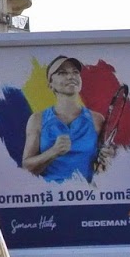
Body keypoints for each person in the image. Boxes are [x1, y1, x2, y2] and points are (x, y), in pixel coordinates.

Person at [21, 55, 114, 183]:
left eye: (75, 72)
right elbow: (26, 167)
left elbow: (102, 164)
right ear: (50, 84)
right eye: (62, 73)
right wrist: (53, 152)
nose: (71, 76)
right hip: (48, 193)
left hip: (87, 192)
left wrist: (107, 158)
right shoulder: (37, 119)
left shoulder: (96, 119)